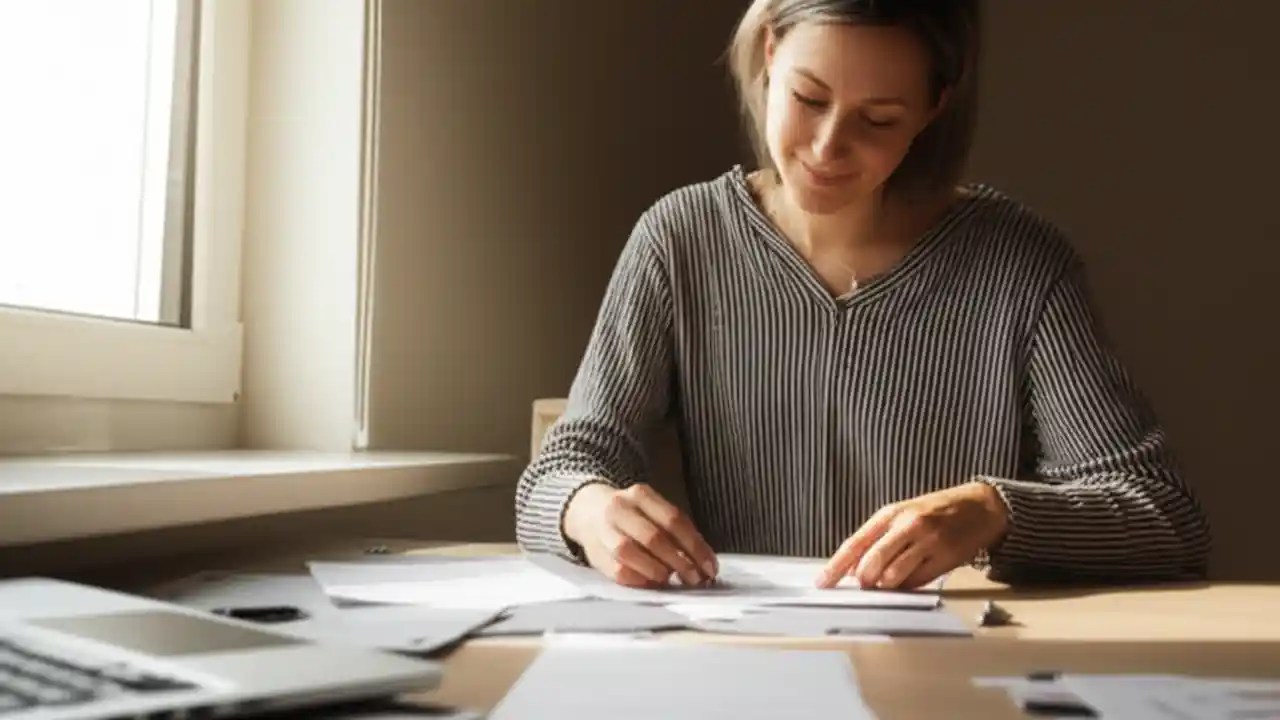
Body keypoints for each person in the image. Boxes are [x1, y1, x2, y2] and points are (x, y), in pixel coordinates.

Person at [514, 0, 1211, 590]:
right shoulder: (679, 238)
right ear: (769, 51)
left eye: (877, 120)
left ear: (934, 108)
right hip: (746, 659)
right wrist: (587, 508)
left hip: (947, 674)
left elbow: (1165, 515)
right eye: (809, 98)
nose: (826, 146)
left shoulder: (1021, 264)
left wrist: (992, 509)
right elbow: (563, 469)